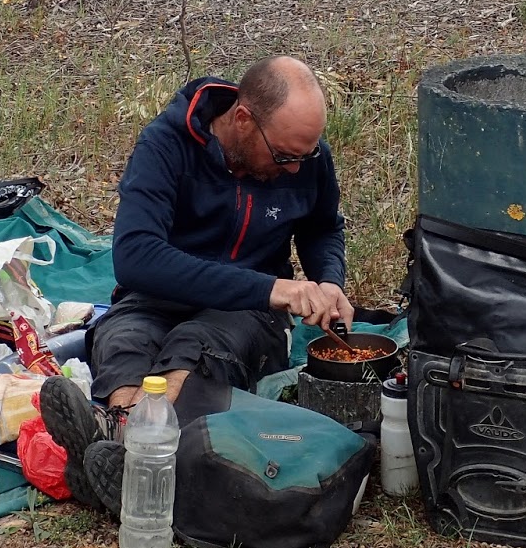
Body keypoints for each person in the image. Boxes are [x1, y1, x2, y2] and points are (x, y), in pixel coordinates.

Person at [42, 54, 352, 509]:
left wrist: (329, 279)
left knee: (199, 346)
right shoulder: (167, 144)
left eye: (303, 157)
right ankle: (127, 445)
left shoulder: (306, 157)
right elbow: (135, 259)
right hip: (163, 294)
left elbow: (322, 226)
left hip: (247, 313)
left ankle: (122, 453)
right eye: (285, 156)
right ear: (243, 119)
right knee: (125, 337)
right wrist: (274, 288)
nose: (293, 169)